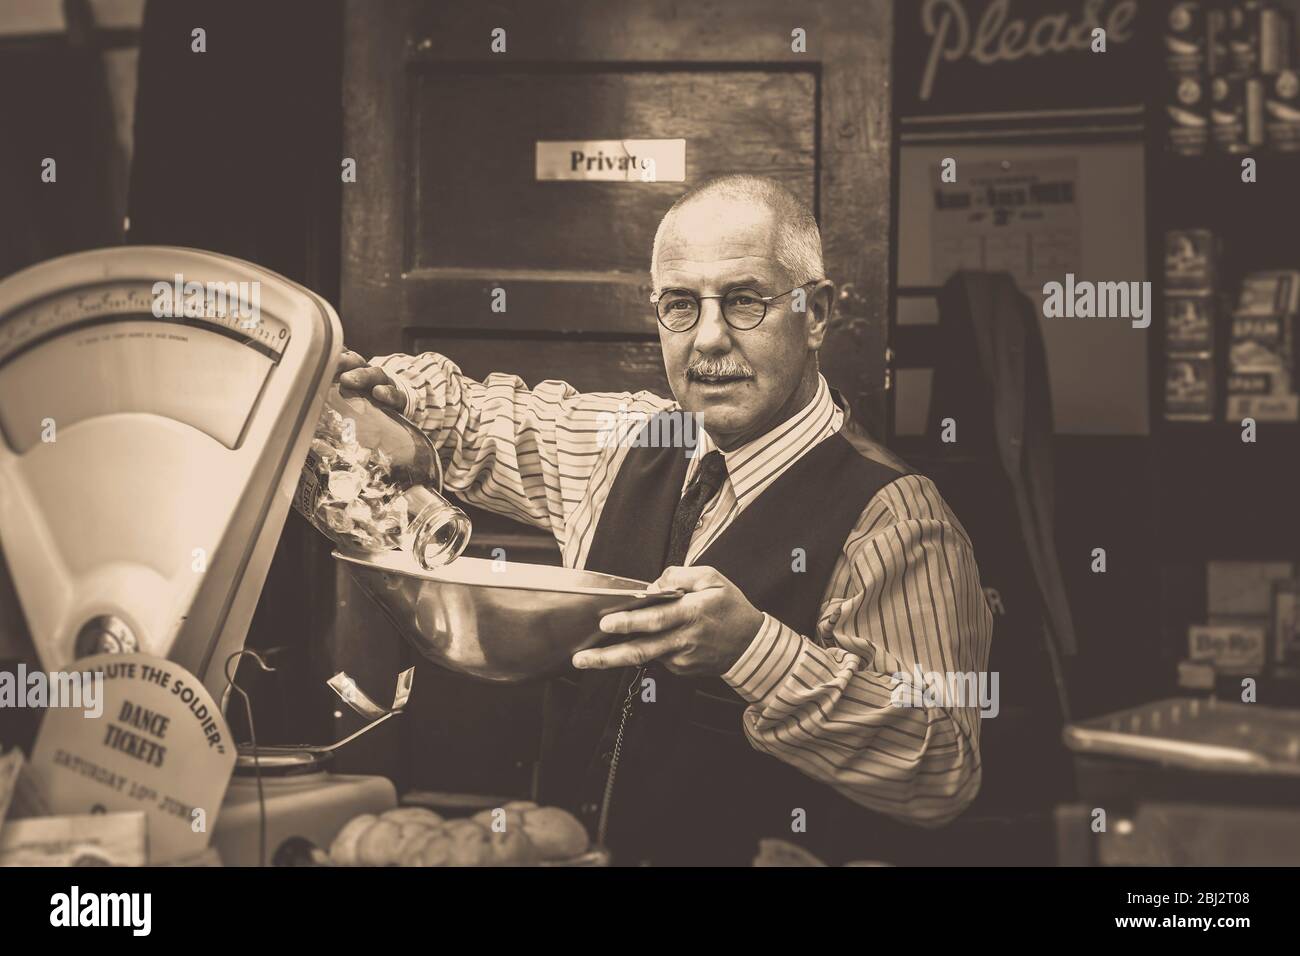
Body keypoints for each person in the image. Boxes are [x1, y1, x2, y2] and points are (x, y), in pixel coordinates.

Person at [338, 174, 993, 865]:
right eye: (681, 305)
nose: (709, 340)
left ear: (817, 312)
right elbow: (470, 417)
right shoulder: (629, 441)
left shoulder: (896, 516)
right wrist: (388, 394)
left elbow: (942, 773)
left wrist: (754, 653)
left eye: (744, 301)